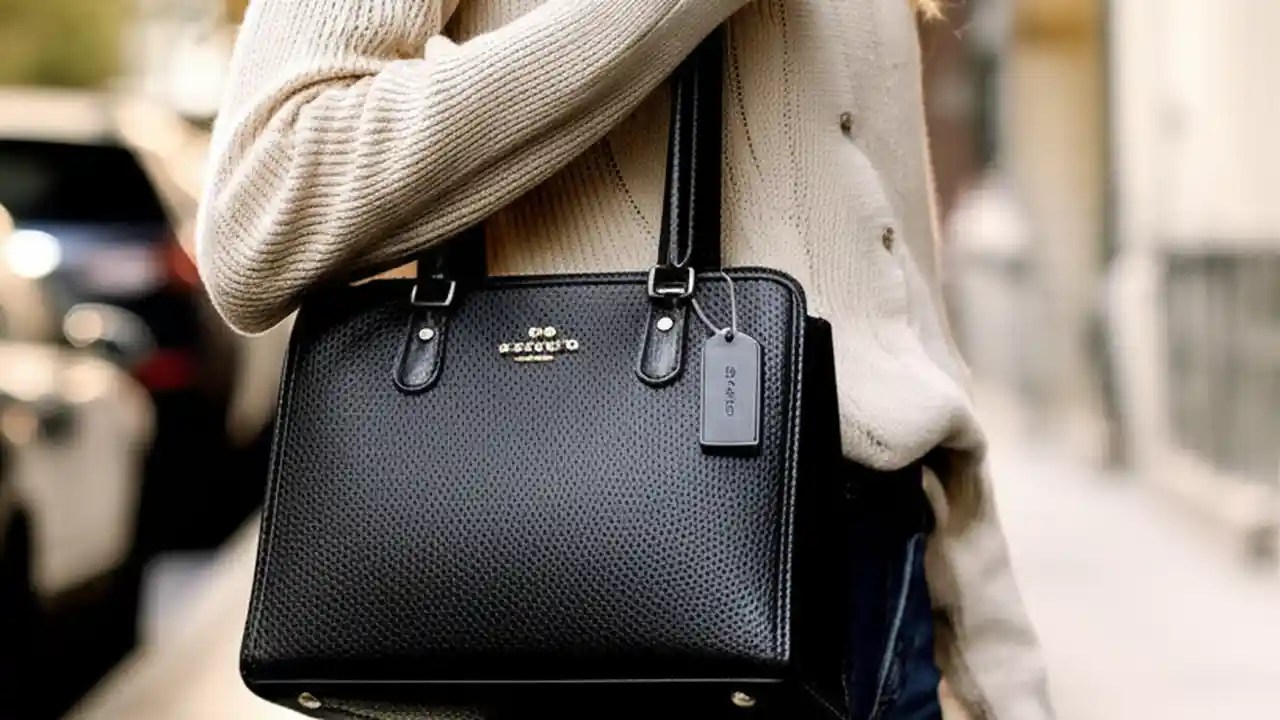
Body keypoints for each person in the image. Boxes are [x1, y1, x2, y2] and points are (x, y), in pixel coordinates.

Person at [196, 1, 1054, 718]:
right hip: (611, 600)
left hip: (884, 601)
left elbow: (901, 324)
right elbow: (261, 215)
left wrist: (1001, 664)